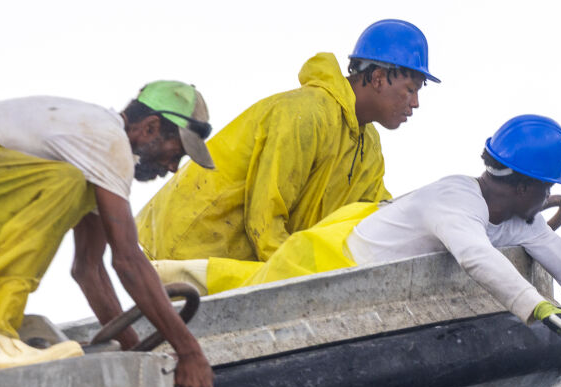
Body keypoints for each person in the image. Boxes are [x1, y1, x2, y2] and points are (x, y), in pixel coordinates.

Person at [157, 114, 561, 380]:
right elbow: (475, 257)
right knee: (231, 288)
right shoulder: (454, 202)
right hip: (326, 261)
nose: (550, 200)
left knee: (232, 285)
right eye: (548, 189)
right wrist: (539, 309)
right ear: (527, 188)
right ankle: (153, 277)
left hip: (366, 261)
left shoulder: (522, 221)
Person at [0, 82, 217, 387]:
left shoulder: (91, 155)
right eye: (178, 152)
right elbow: (127, 260)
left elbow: (90, 271)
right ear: (151, 128)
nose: (174, 168)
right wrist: (190, 353)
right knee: (64, 182)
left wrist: (138, 355)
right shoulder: (109, 142)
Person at [136, 19, 435, 265]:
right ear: (380, 77)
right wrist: (298, 284)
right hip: (184, 249)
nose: (416, 103)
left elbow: (376, 217)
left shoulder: (367, 146)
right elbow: (264, 223)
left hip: (229, 264)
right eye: (411, 89)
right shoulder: (306, 113)